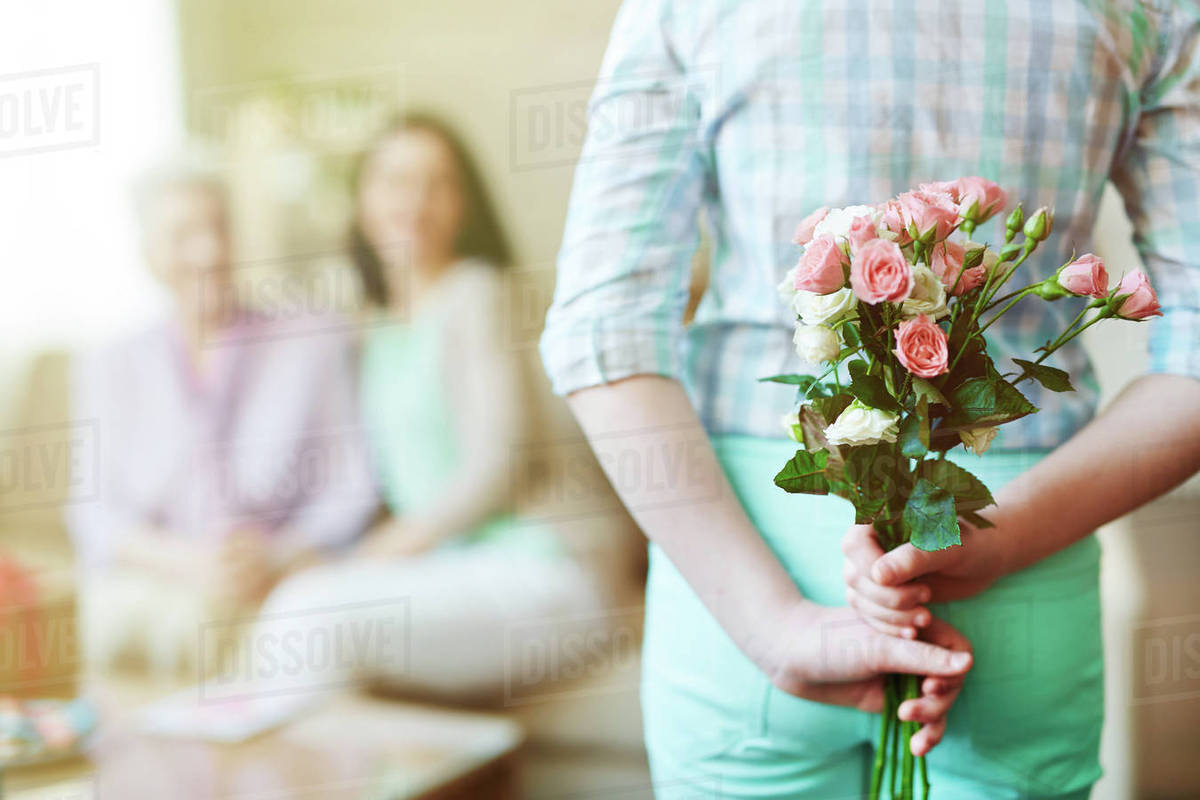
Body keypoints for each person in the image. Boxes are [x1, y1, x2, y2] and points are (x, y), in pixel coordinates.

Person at [539, 2, 1200, 798]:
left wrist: (773, 627)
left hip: (737, 581)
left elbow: (600, 329)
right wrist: (999, 541)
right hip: (1016, 582)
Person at [192, 114, 641, 717]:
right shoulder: (372, 326)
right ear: (361, 199)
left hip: (546, 571)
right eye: (395, 181)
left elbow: (496, 470)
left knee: (316, 613)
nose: (415, 201)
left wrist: (378, 553)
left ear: (464, 205)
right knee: (300, 605)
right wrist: (291, 550)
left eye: (438, 184)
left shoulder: (475, 292)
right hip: (453, 571)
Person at [68, 151, 377, 675]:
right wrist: (192, 564)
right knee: (122, 623)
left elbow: (352, 487)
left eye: (219, 228)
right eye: (184, 233)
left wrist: (278, 555)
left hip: (283, 573)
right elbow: (95, 515)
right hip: (167, 577)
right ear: (147, 252)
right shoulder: (111, 364)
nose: (209, 250)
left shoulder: (310, 340)